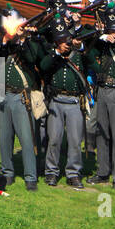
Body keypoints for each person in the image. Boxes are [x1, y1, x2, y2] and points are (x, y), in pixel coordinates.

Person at [0, 13, 44, 191]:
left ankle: (30, 177)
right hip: (4, 95)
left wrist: (22, 40)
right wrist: (6, 39)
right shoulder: (3, 45)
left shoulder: (30, 44)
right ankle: (7, 173)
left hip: (22, 97)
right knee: (4, 138)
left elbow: (32, 59)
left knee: (27, 139)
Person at [85, 5, 115, 189]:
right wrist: (103, 37)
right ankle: (103, 171)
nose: (113, 31)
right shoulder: (102, 41)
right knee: (101, 132)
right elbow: (88, 51)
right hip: (102, 89)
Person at [40, 20, 89, 189]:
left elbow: (91, 62)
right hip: (56, 99)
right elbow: (44, 66)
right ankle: (51, 172)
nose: (66, 44)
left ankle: (73, 173)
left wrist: (80, 47)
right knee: (54, 139)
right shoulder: (53, 54)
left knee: (75, 141)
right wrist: (57, 53)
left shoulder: (79, 54)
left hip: (74, 101)